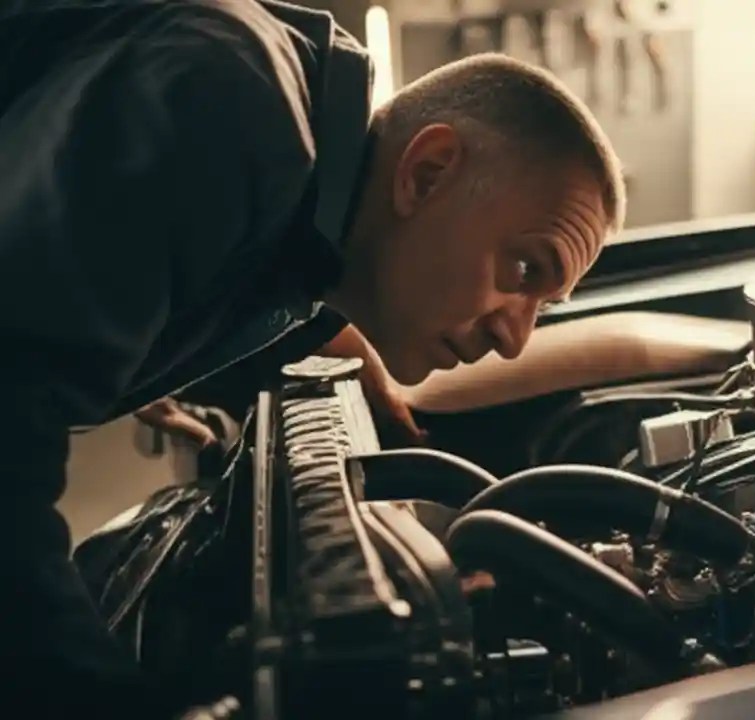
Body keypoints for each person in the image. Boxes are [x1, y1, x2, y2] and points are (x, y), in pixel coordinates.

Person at [0, 0, 624, 714]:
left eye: (545, 307)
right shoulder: (227, 96)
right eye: (523, 271)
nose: (515, 338)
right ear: (426, 173)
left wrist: (289, 333)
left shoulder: (282, 167)